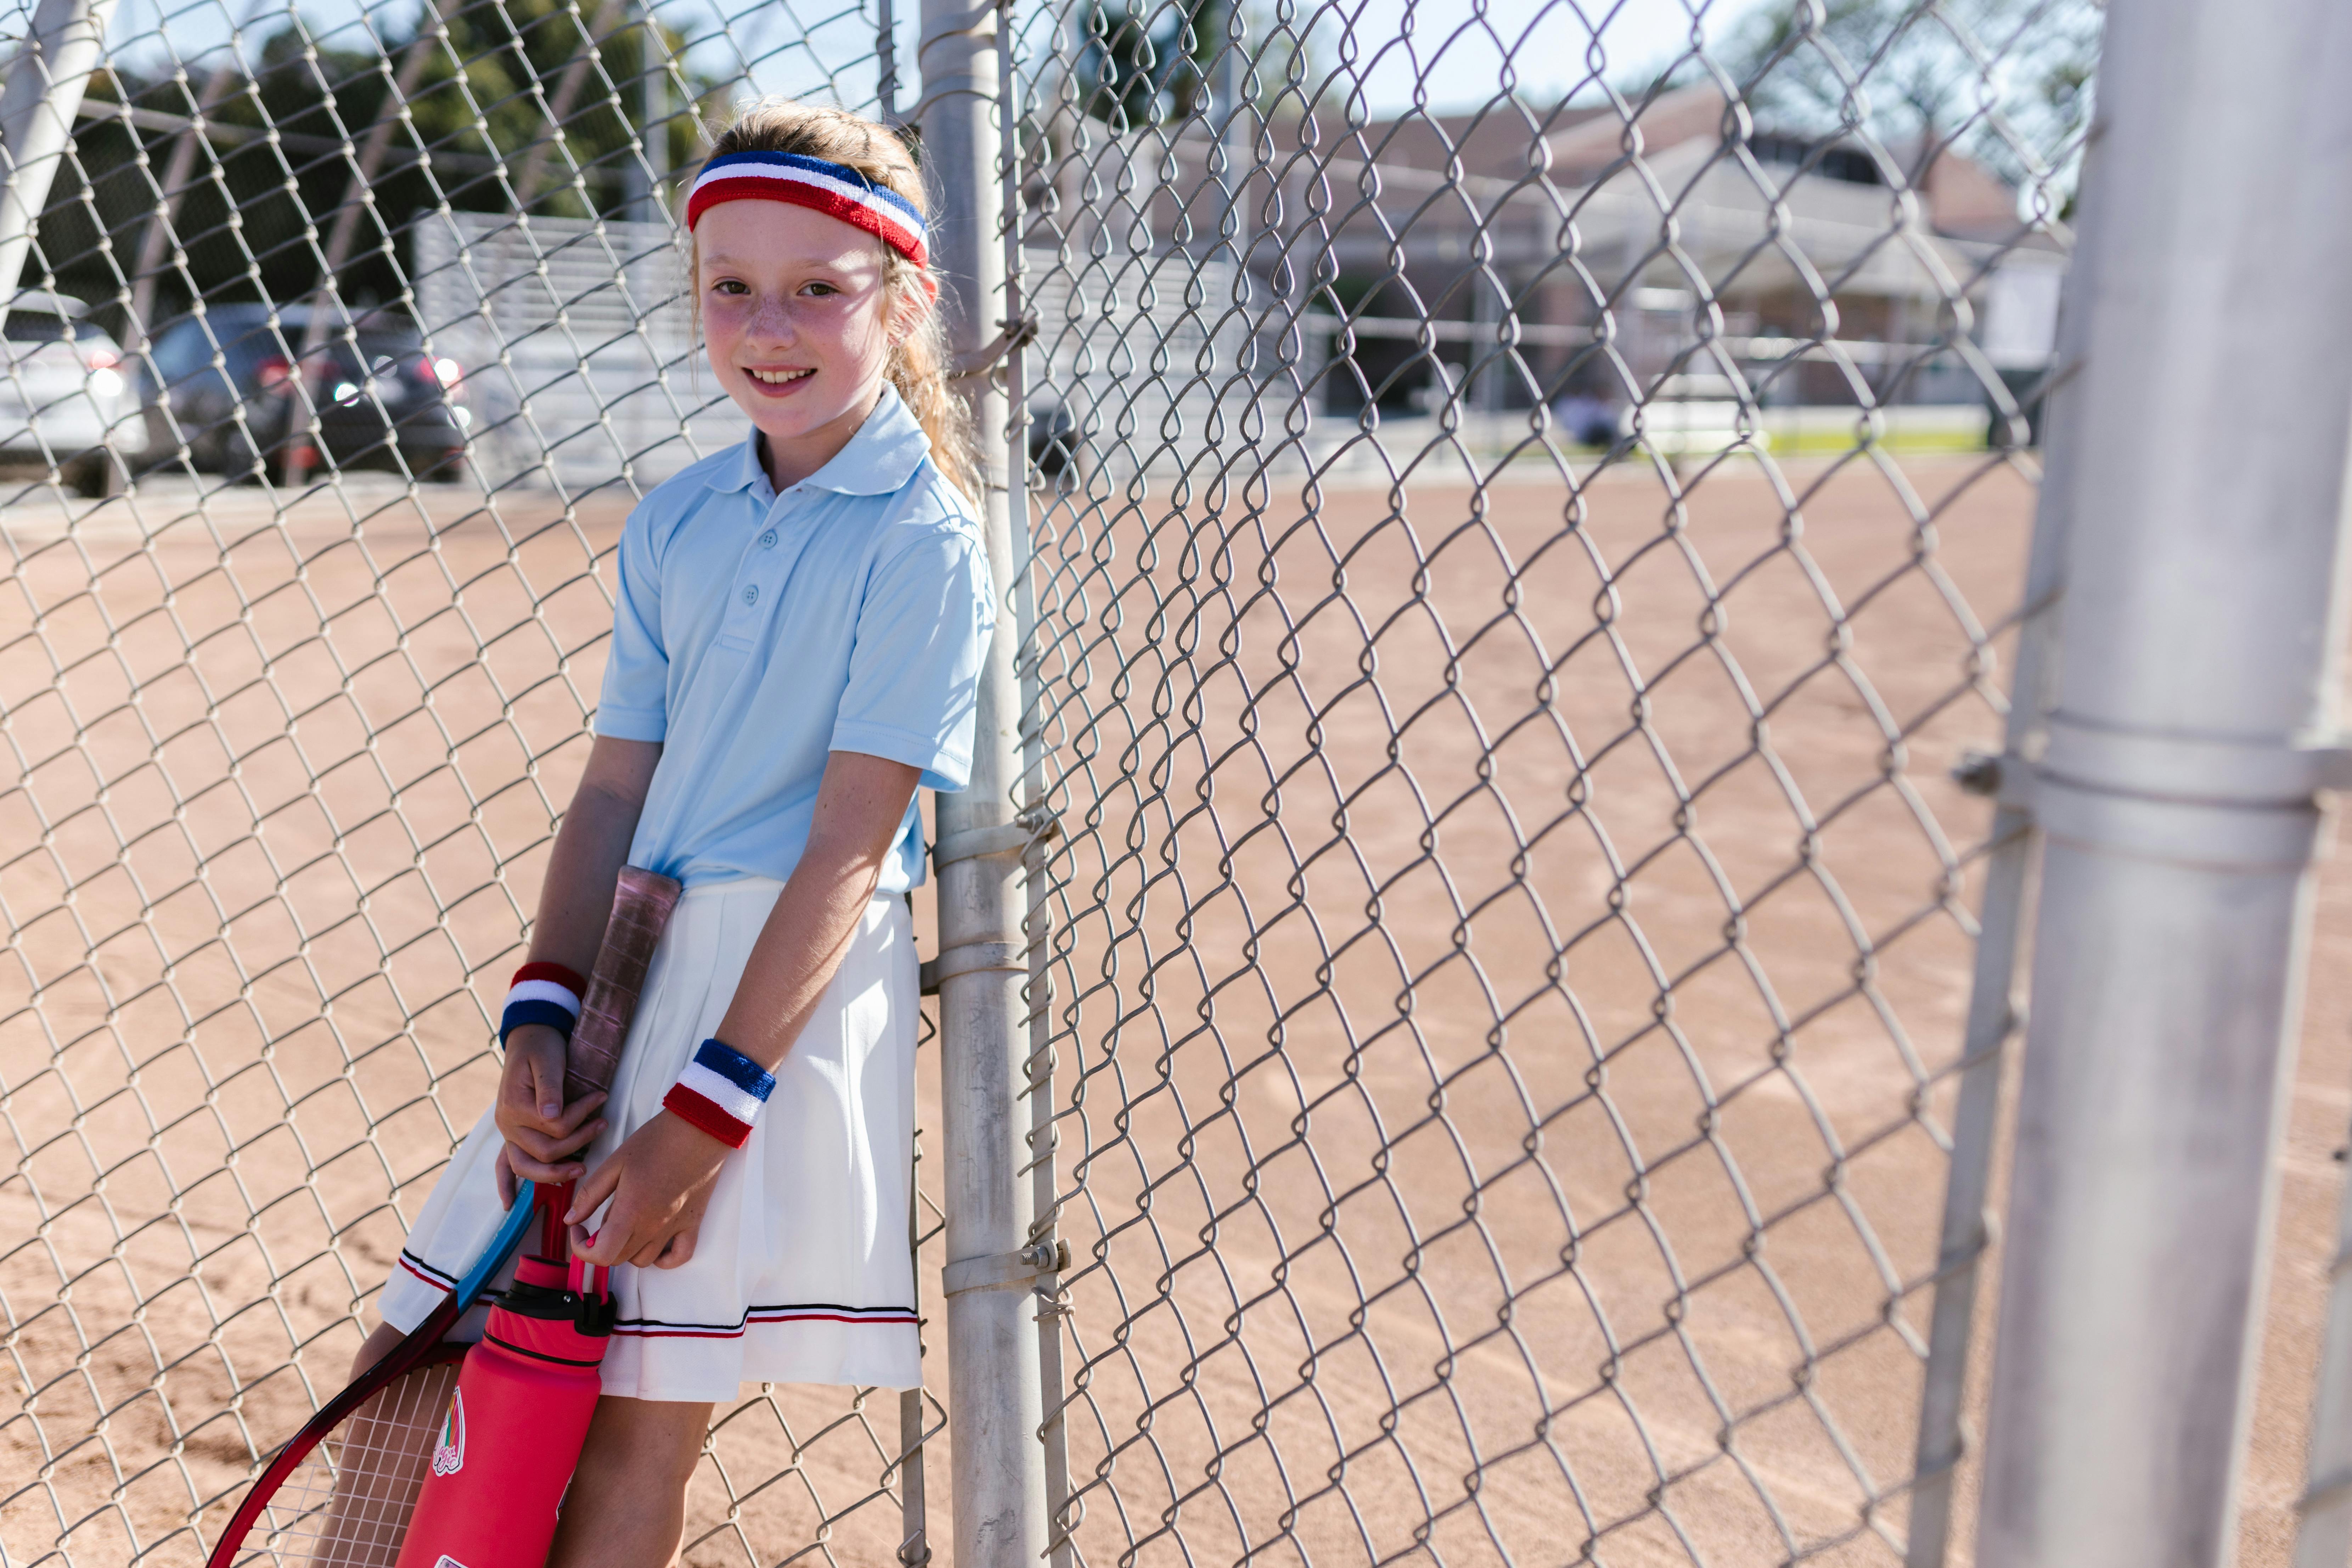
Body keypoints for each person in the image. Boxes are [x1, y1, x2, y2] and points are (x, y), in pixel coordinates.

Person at [347, 98, 995, 1567]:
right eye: (731, 286)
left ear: (901, 305)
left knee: (637, 1415)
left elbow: (850, 849)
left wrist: (701, 1126)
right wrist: (541, 1016)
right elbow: (611, 792)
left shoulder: (923, 544)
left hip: (760, 1007)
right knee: (422, 1365)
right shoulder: (678, 519)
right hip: (626, 969)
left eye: (819, 290)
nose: (769, 324)